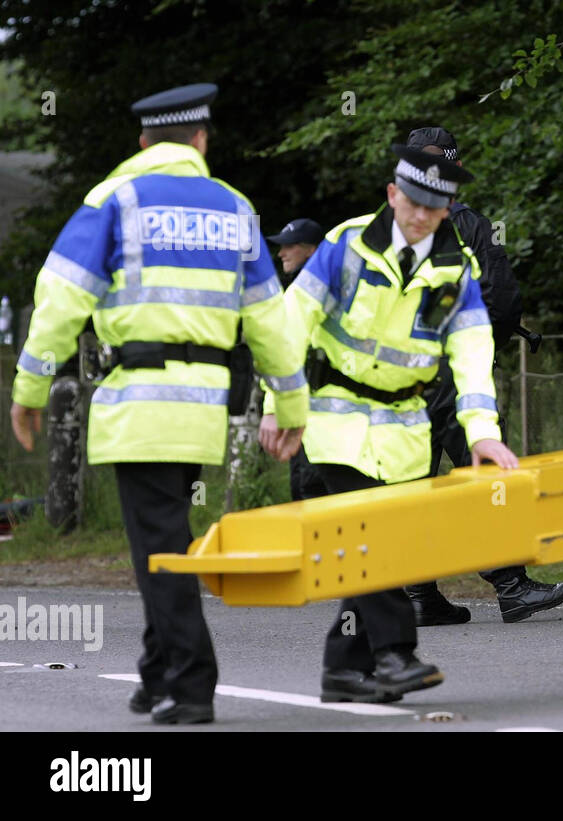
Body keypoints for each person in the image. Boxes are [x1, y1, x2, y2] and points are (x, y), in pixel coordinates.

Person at [9, 83, 309, 724]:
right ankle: (154, 673)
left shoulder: (113, 201)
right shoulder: (234, 208)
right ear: (201, 140)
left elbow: (61, 298)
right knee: (166, 537)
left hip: (138, 409)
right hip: (200, 409)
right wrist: (292, 404)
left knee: (158, 550)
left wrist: (30, 389)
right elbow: (270, 322)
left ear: (143, 142)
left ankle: (192, 681)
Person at [259, 143, 518, 704]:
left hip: (403, 426)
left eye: (436, 205)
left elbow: (473, 355)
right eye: (414, 201)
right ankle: (396, 654)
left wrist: (483, 434)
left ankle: (342, 669)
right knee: (372, 535)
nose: (422, 215)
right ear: (392, 194)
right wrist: (277, 405)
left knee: (373, 544)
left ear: (449, 209)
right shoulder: (344, 246)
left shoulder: (457, 267)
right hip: (333, 421)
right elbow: (289, 325)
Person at [401, 125, 563, 626]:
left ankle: (417, 595)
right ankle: (511, 586)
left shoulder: (385, 226)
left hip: (395, 377)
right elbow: (500, 300)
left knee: (413, 483)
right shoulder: (466, 224)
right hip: (453, 375)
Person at [266, 217, 328, 501]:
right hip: (305, 411)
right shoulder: (297, 290)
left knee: (310, 494)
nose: (281, 253)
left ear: (312, 251)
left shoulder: (312, 293)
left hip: (316, 414)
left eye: (290, 246)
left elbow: (286, 350)